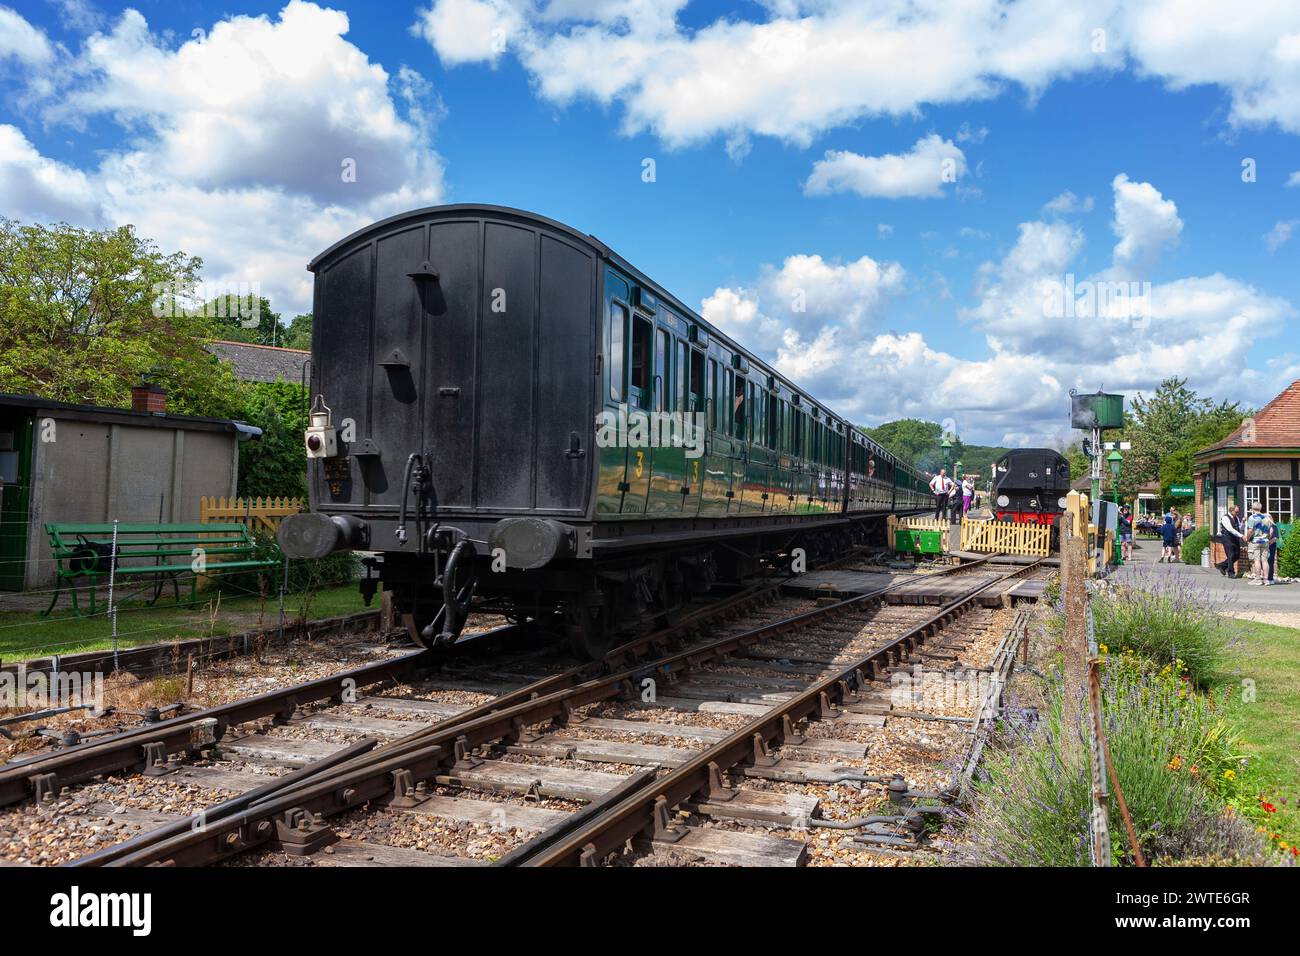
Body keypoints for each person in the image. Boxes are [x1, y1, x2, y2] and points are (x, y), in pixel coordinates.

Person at [1217, 505, 1245, 577]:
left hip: (1235, 538)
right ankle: (1231, 572)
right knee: (1230, 555)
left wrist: (1243, 522)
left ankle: (1222, 565)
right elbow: (1230, 529)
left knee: (1237, 555)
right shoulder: (1225, 518)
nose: (1237, 513)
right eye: (1236, 512)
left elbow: (1239, 528)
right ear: (1232, 511)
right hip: (1227, 538)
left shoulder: (1236, 518)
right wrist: (1241, 536)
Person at [1249, 513, 1274, 585]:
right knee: (1265, 561)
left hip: (1256, 541)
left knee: (1257, 560)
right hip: (1265, 541)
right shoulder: (1268, 520)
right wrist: (1267, 539)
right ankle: (1266, 580)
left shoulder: (1254, 519)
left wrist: (1248, 538)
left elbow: (1251, 531)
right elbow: (1271, 532)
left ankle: (1258, 579)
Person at [1266, 514, 1280, 585]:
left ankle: (1269, 578)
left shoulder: (1273, 527)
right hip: (1268, 546)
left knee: (1270, 562)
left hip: (1270, 546)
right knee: (1268, 562)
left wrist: (1268, 543)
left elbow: (1275, 538)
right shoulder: (1266, 527)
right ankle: (1267, 578)